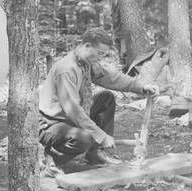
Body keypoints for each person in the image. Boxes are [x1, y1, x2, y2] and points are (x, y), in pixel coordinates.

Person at [39, 27, 158, 167]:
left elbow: (111, 78)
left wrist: (140, 87)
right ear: (87, 46)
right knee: (85, 139)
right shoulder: (66, 69)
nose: (100, 57)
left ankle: (96, 154)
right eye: (99, 53)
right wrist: (100, 135)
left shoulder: (86, 62)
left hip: (69, 118)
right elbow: (73, 110)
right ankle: (51, 157)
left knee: (106, 98)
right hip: (51, 124)